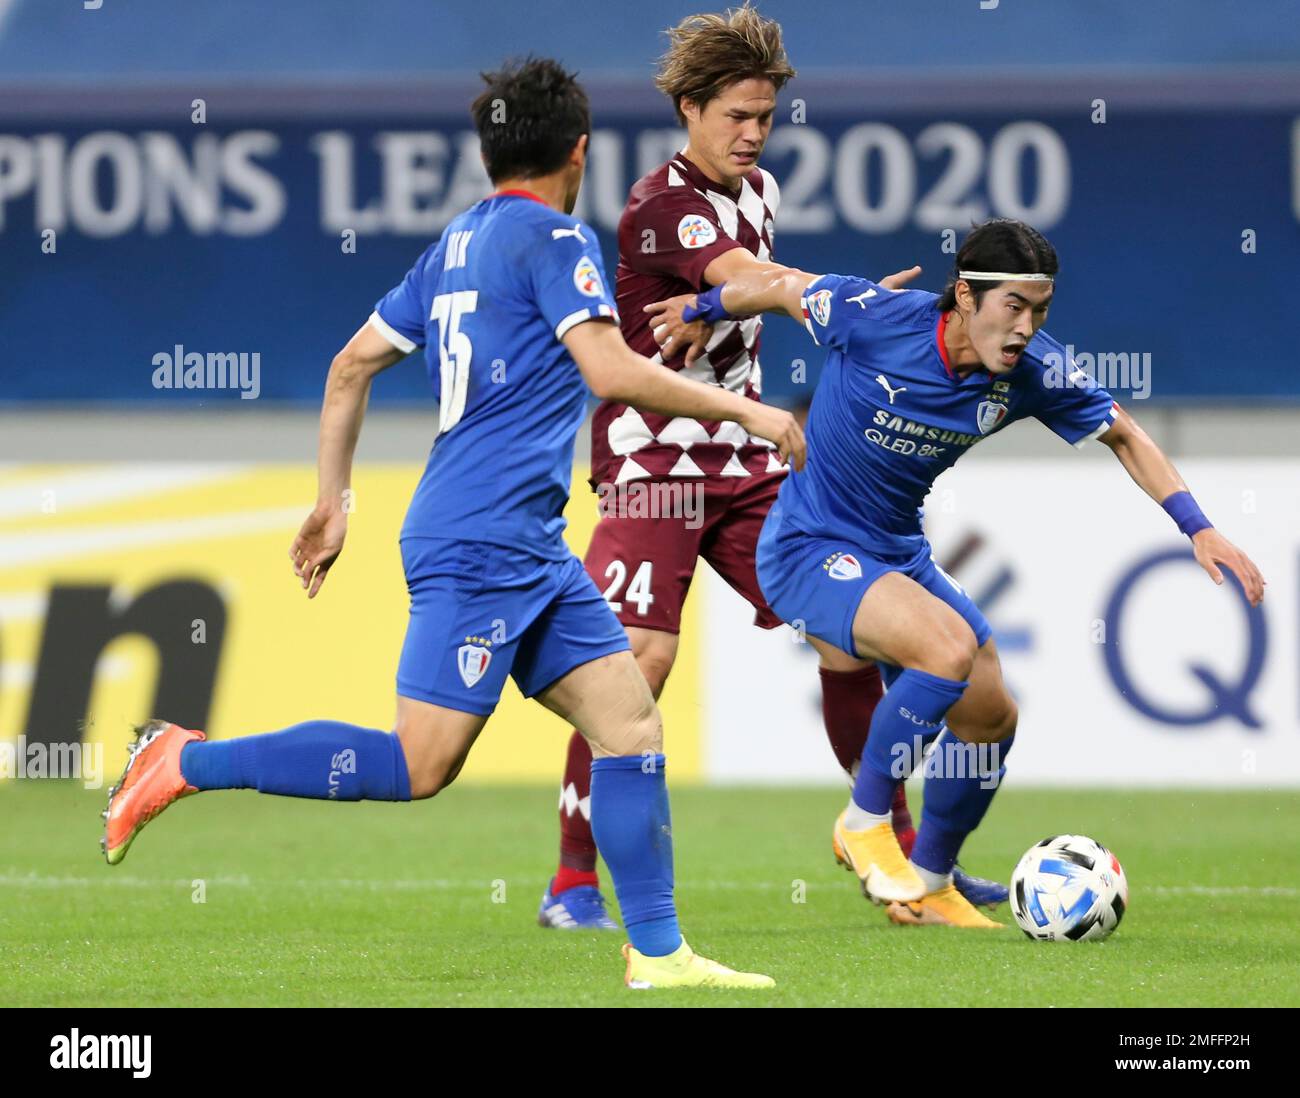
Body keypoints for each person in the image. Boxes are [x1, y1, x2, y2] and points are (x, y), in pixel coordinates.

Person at [101, 57, 806, 990]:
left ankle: (660, 953)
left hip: (520, 539)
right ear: (581, 150)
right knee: (418, 764)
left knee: (630, 725)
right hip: (481, 540)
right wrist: (747, 411)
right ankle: (186, 759)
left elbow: (350, 366)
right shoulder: (560, 240)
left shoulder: (457, 244)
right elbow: (611, 373)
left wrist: (331, 500)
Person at [647, 217, 1265, 927]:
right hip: (806, 544)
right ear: (965, 298)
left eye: (1040, 311)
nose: (1027, 327)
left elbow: (1124, 432)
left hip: (897, 553)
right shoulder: (872, 314)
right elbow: (779, 286)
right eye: (1014, 307)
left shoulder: (1035, 373)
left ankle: (931, 880)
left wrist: (1200, 526)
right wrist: (699, 309)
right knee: (945, 651)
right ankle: (864, 823)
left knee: (990, 713)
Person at [538, 4, 1006, 934]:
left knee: (855, 635)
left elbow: (751, 286)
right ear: (687, 109)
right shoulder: (657, 207)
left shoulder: (762, 189)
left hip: (748, 459)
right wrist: (848, 301)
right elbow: (751, 276)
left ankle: (898, 856)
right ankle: (571, 885)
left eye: (764, 117)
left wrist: (838, 305)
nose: (753, 134)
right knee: (638, 662)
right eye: (735, 117)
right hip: (654, 457)